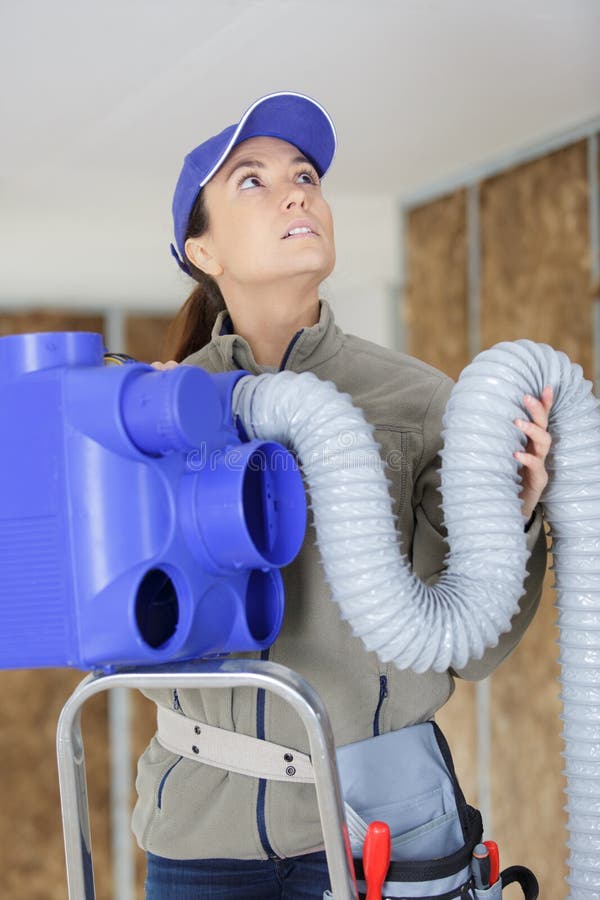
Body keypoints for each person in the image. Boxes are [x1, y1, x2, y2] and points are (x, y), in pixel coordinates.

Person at [133, 92, 552, 899]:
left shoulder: (423, 402)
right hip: (198, 836)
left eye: (305, 176)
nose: (297, 192)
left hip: (381, 831)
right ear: (200, 249)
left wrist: (517, 516)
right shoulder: (155, 414)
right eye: (252, 181)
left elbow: (471, 647)